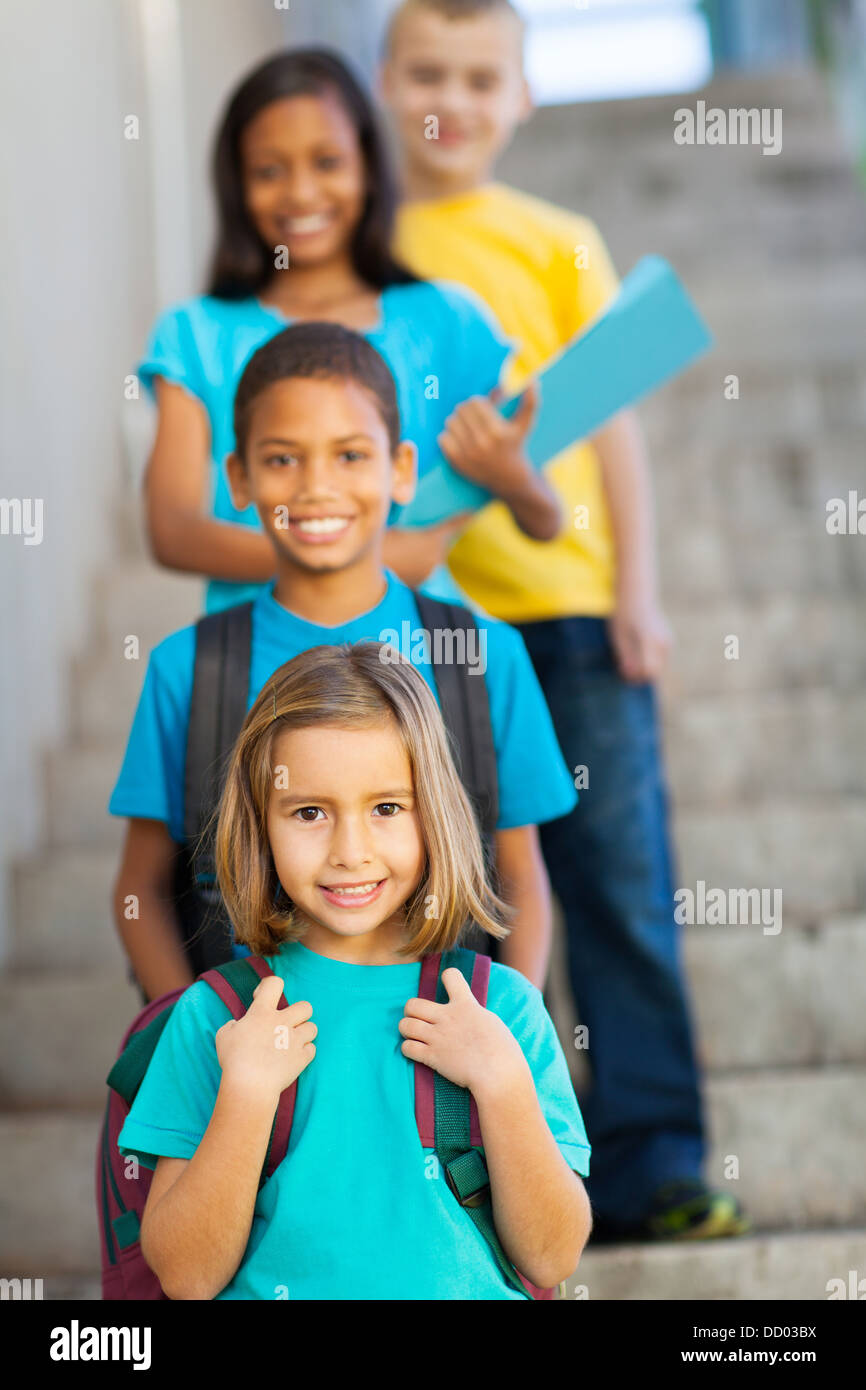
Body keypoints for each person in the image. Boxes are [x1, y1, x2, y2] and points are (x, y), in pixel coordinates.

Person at [380, 0, 750, 1243]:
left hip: (575, 612)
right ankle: (486, 1163)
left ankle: (652, 1157)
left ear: (521, 97)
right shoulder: (362, 249)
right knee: (460, 894)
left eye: (481, 77)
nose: (453, 99)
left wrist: (636, 591)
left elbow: (615, 418)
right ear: (385, 82)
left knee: (622, 887)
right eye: (426, 71)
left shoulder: (554, 238)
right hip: (422, 628)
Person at [110, 323, 576, 1000]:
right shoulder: (190, 668)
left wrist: (513, 1035)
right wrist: (190, 1042)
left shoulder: (483, 657)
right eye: (281, 460)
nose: (317, 486)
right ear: (237, 478)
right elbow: (139, 890)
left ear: (403, 469)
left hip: (438, 1073)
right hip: (257, 1077)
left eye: (351, 455)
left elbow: (523, 881)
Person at [118, 642, 593, 1301]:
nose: (350, 851)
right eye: (309, 812)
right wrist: (246, 1096)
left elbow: (554, 1256)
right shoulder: (217, 1017)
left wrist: (504, 1082)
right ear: (260, 823)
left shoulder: (501, 1010)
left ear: (436, 816)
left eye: (387, 809)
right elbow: (187, 1276)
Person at [139, 46, 557, 614]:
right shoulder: (196, 336)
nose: (301, 193)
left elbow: (546, 520)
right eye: (268, 170)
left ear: (367, 166)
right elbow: (173, 533)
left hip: (417, 670)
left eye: (327, 162)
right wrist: (370, 555)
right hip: (260, 677)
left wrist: (514, 476)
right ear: (237, 185)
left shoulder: (444, 321)